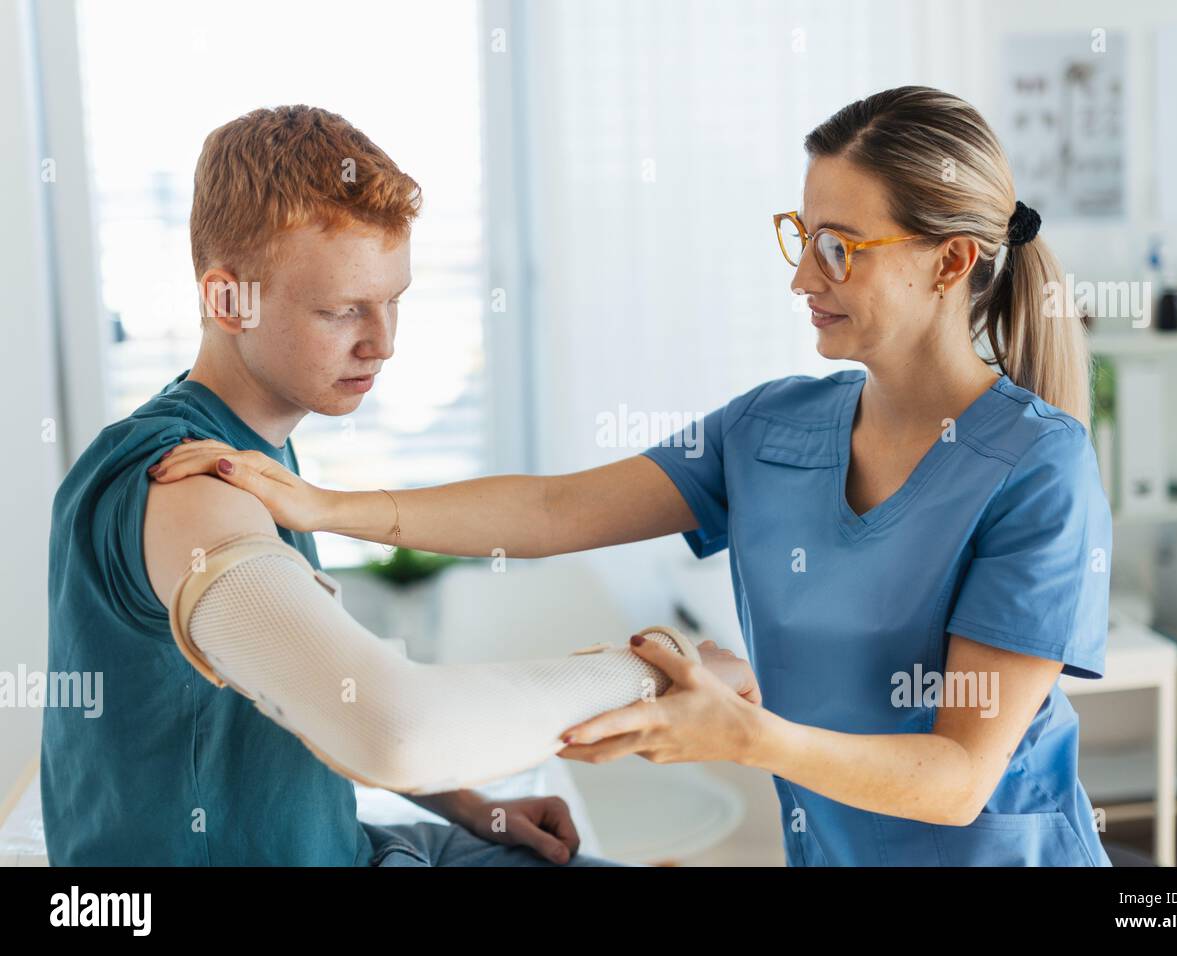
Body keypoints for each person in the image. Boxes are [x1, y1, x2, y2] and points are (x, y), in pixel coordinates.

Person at [156, 86, 1113, 867]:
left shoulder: (1036, 467)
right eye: (802, 235)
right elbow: (550, 506)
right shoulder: (776, 427)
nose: (802, 279)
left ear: (950, 262)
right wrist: (326, 505)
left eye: (839, 250)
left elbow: (958, 779)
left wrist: (744, 735)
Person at [44, 105, 751, 867]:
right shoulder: (186, 484)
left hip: (354, 845)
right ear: (227, 301)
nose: (383, 343)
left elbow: (301, 687)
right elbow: (396, 730)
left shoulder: (254, 456)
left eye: (395, 301)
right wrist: (665, 669)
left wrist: (472, 807)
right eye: (344, 310)